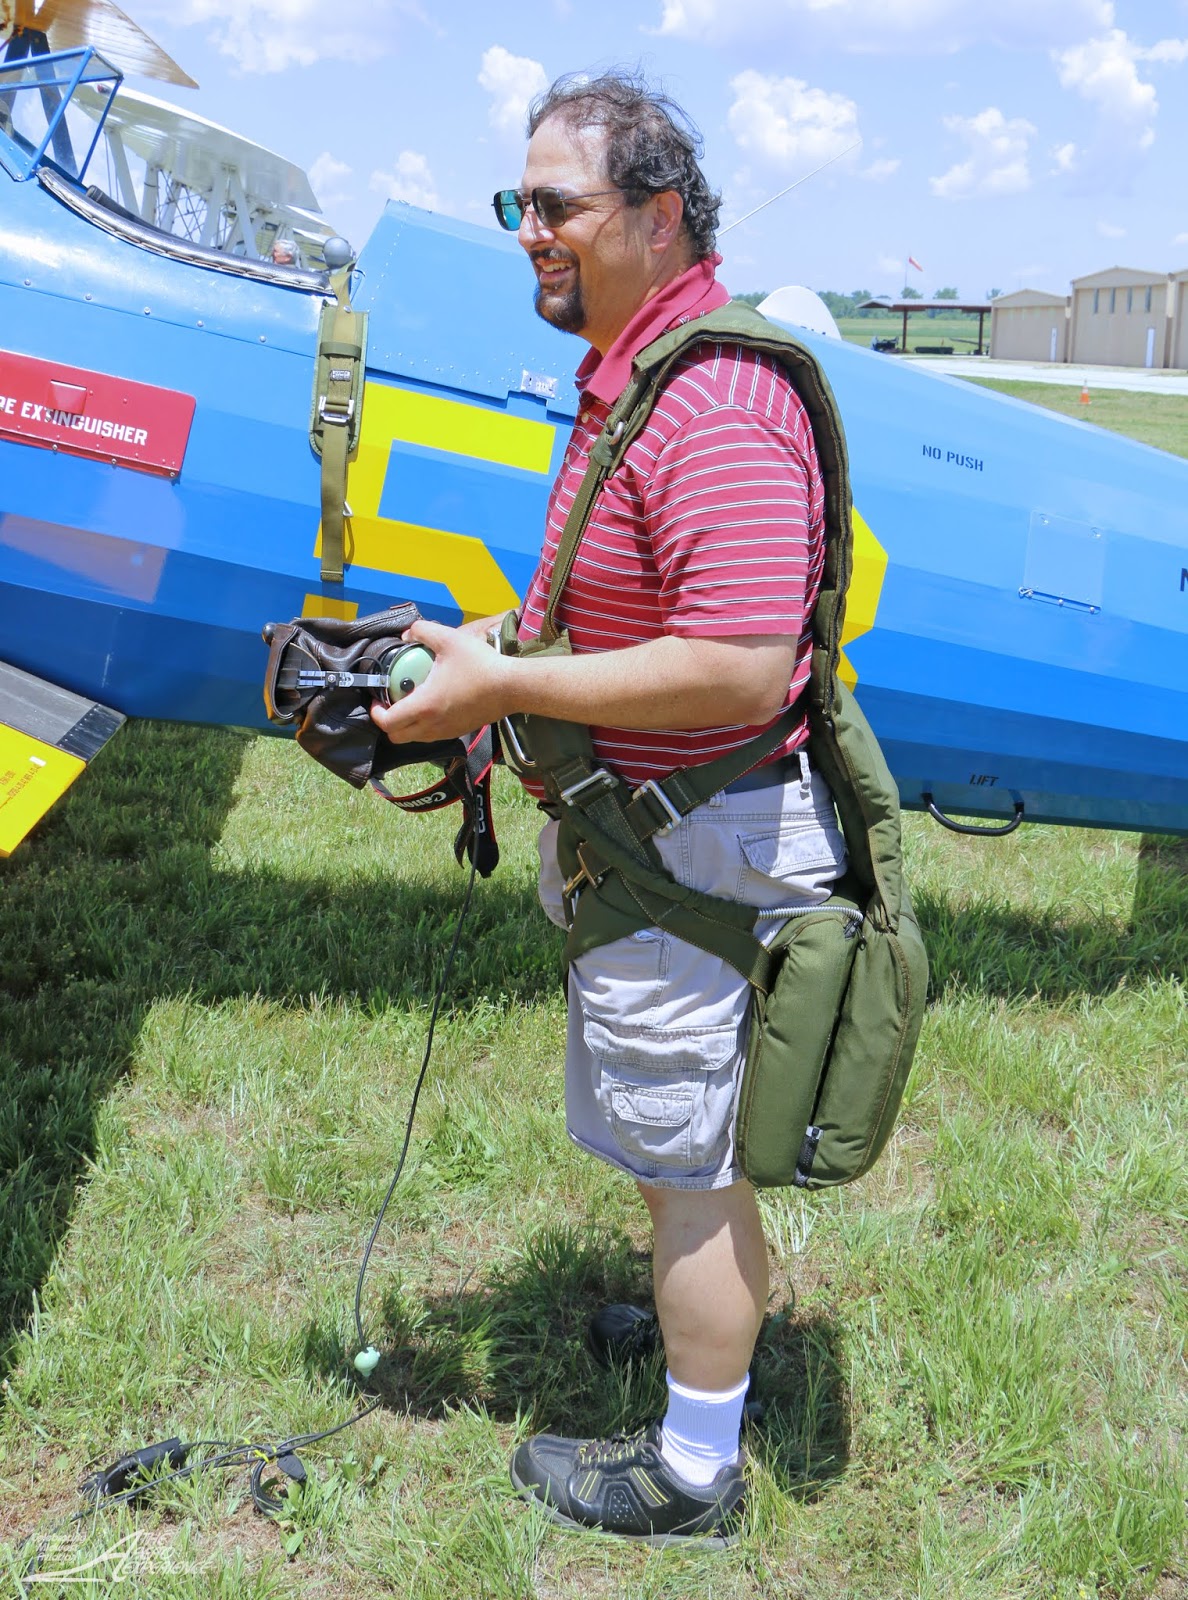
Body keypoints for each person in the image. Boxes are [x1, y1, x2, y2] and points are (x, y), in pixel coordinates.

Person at [370, 70, 846, 1546]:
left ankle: (696, 1470)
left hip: (692, 842)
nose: (527, 231)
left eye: (556, 206)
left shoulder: (710, 396)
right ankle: (698, 1322)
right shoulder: (643, 368)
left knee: (685, 1163)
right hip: (657, 834)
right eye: (516, 205)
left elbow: (740, 656)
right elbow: (622, 597)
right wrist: (498, 652)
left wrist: (504, 692)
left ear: (655, 214)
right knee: (671, 1150)